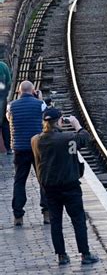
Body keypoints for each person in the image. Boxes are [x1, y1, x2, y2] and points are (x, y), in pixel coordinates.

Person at [31, 108, 99, 266]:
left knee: (56, 221)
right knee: (78, 220)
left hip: (49, 188)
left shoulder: (35, 140)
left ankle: (61, 256)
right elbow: (85, 137)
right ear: (60, 121)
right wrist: (76, 124)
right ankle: (85, 254)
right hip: (70, 187)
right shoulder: (67, 138)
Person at [7, 81, 49, 226]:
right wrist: (40, 99)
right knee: (43, 180)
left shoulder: (11, 106)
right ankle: (47, 213)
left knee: (19, 182)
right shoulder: (40, 104)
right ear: (33, 91)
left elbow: (9, 118)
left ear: (19, 92)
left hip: (19, 149)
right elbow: (47, 118)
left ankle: (18, 216)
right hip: (38, 148)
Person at [0, 59, 12, 154]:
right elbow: (9, 82)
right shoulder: (3, 66)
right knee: (5, 124)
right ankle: (8, 148)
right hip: (3, 99)